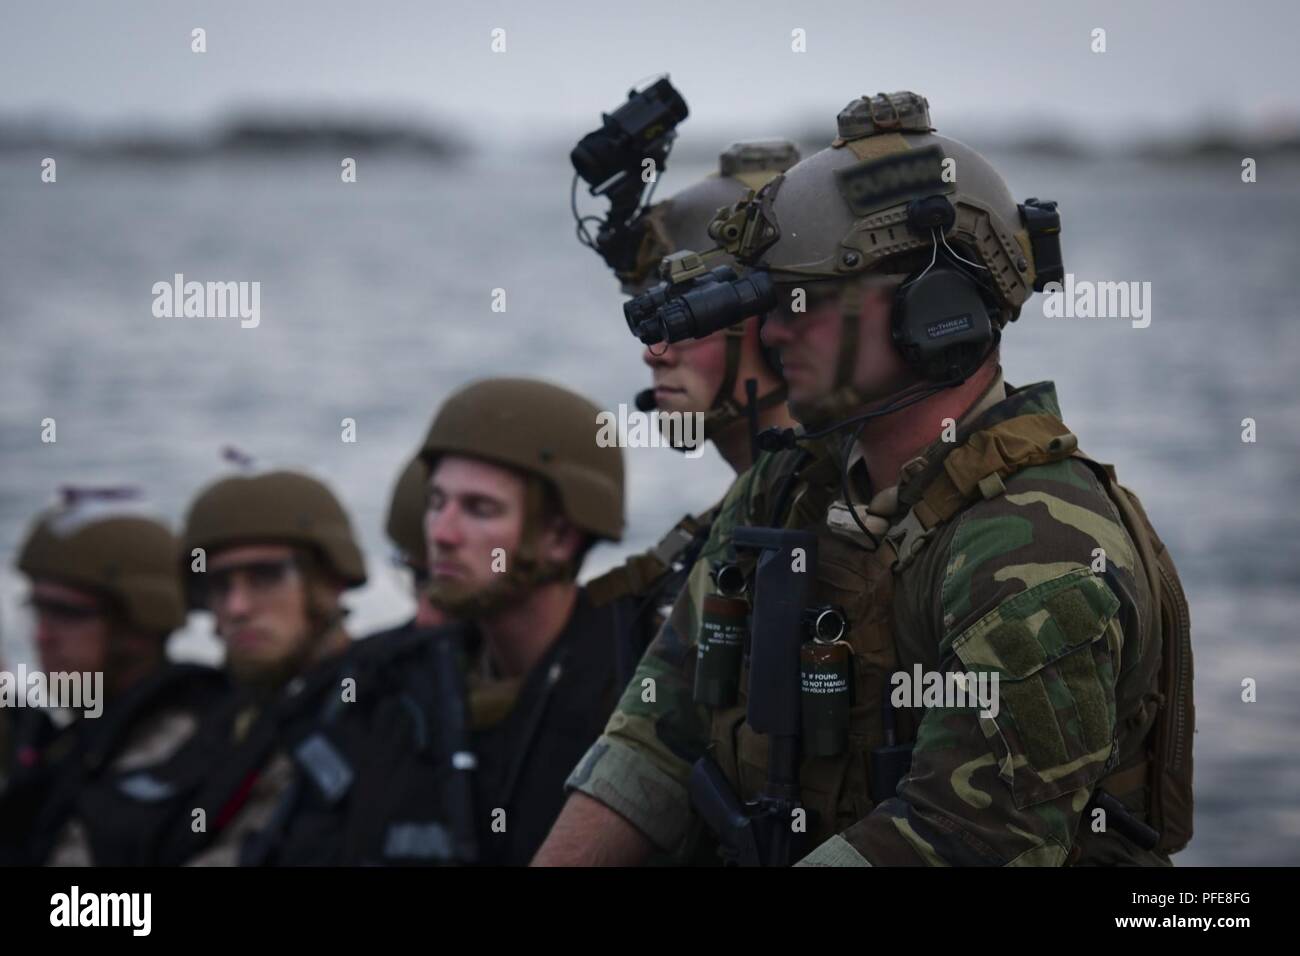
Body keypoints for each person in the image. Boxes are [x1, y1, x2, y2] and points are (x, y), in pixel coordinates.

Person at [535, 91, 1193, 867]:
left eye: (802, 304)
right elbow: (658, 730)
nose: (773, 335)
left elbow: (957, 838)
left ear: (933, 313)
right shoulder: (792, 483)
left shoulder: (1039, 550)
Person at [584, 140, 799, 683]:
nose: (654, 350)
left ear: (776, 327)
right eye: (656, 315)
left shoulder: (827, 524)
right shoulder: (727, 528)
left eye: (688, 314)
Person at [418, 377, 629, 864]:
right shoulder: (404, 681)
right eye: (435, 502)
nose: (442, 533)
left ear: (559, 537)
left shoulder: (627, 695)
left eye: (480, 509)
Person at [0, 489, 225, 865]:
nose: (42, 636)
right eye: (39, 611)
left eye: (66, 613)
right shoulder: (94, 734)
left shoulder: (177, 749)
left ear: (138, 625)